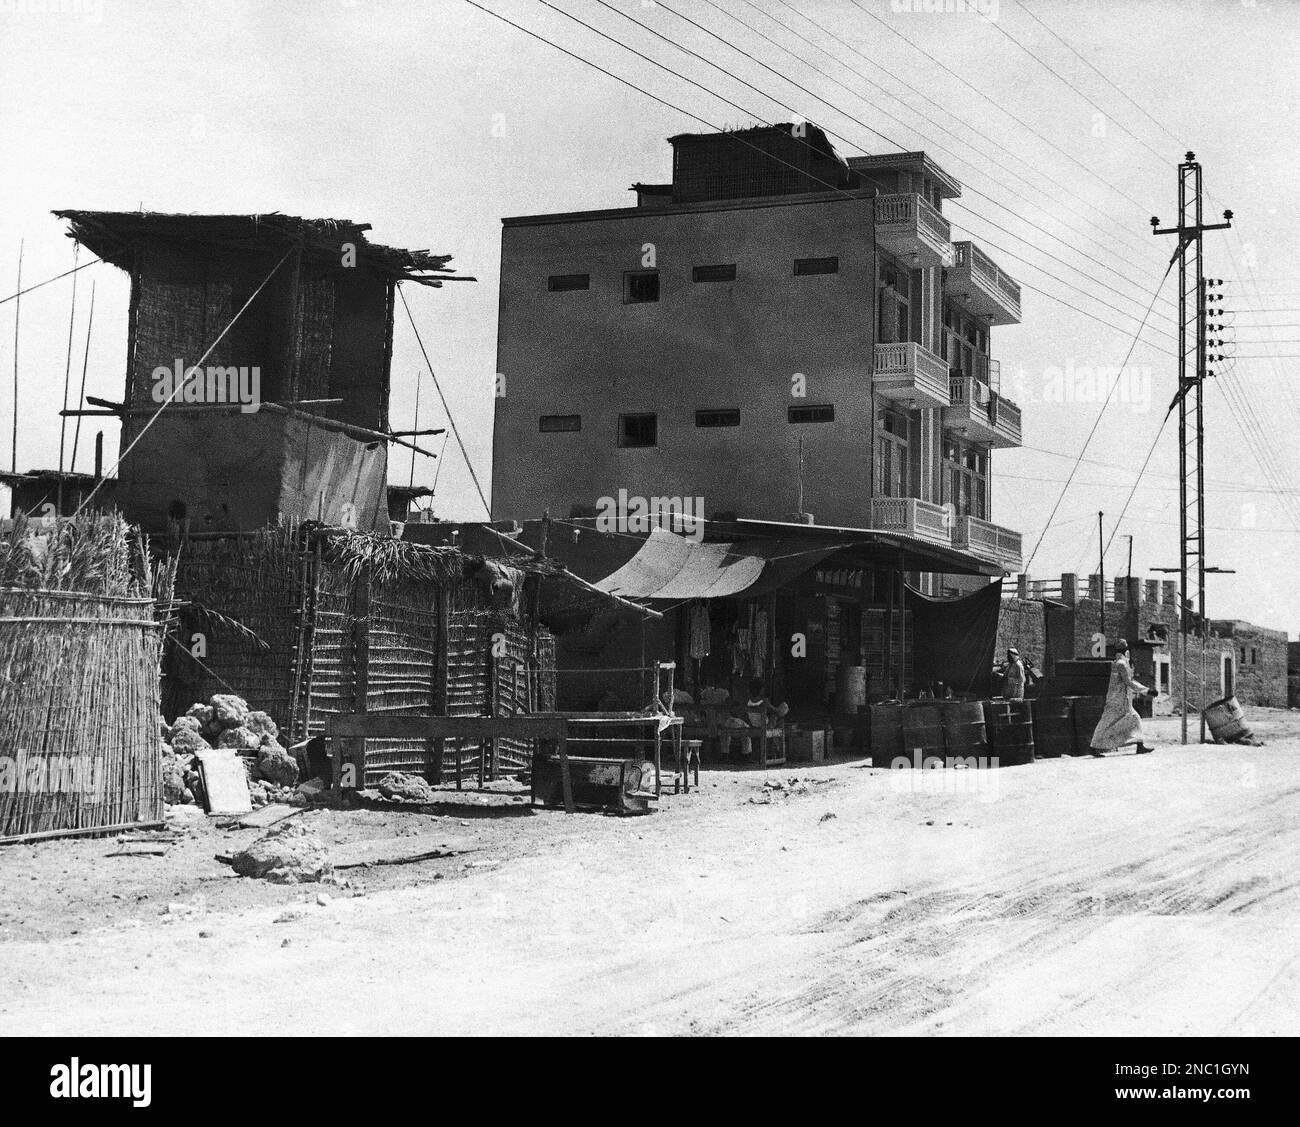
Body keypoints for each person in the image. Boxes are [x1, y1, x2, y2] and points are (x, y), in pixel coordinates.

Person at [1089, 639, 1157, 756]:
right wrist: (1147, 691)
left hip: (1118, 699)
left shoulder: (1118, 662)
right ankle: (1094, 746)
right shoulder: (1122, 664)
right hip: (1118, 700)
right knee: (1106, 722)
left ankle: (1139, 745)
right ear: (1126, 650)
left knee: (1134, 719)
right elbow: (1129, 682)